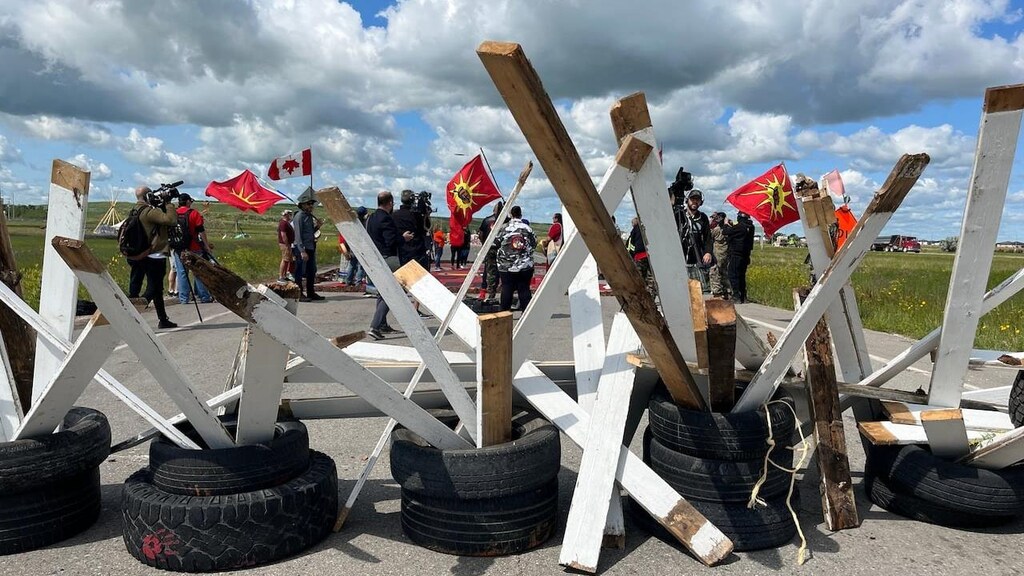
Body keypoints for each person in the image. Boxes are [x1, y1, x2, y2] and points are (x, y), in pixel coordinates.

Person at [126, 186, 178, 329]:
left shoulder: (134, 211)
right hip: (155, 254)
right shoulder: (149, 212)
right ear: (148, 196)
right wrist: (168, 203)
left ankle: (163, 319)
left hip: (141, 254)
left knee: (156, 289)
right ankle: (134, 314)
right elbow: (171, 220)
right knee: (153, 288)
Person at [366, 191, 414, 340]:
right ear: (390, 203)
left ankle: (381, 324)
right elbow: (391, 241)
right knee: (392, 292)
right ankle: (374, 326)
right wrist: (403, 238)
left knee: (382, 292)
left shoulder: (372, 217)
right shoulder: (386, 219)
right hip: (388, 258)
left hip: (375, 258)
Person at [171, 194, 214, 304]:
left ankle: (184, 298)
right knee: (198, 272)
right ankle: (204, 296)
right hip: (194, 247)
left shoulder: (174, 214)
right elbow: (201, 230)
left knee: (182, 273)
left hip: (179, 247)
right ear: (188, 202)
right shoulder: (194, 213)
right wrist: (206, 246)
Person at [496, 205, 537, 312]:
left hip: (506, 266)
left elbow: (495, 243)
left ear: (511, 214)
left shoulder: (503, 228)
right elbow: (534, 244)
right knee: (524, 290)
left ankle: (504, 315)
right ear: (521, 214)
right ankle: (527, 316)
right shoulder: (528, 229)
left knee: (507, 289)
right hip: (524, 265)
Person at [676, 188, 713, 292]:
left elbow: (708, 237)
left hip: (695, 258)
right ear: (687, 200)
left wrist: (708, 252)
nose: (695, 202)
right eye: (692, 199)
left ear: (701, 202)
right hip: (679, 256)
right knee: (679, 288)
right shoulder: (679, 215)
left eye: (698, 199)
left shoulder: (703, 217)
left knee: (695, 290)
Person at [293, 187, 324, 302]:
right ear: (303, 205)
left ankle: (311, 292)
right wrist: (302, 251)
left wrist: (317, 227)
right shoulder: (299, 217)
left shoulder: (309, 216)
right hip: (303, 249)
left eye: (312, 204)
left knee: (312, 271)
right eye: (309, 204)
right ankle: (299, 293)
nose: (311, 206)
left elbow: (310, 233)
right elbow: (298, 235)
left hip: (311, 247)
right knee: (300, 272)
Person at [723, 211, 755, 303]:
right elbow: (738, 231)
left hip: (736, 253)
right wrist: (733, 225)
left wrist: (726, 224)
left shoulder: (740, 227)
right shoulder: (750, 227)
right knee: (741, 275)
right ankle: (743, 297)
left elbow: (726, 232)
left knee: (733, 274)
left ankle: (736, 295)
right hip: (746, 254)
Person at [478, 201, 502, 301]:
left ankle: (484, 292)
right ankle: (492, 292)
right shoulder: (505, 221)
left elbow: (481, 234)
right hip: (501, 249)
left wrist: (484, 244)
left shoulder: (486, 220)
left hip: (490, 248)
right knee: (501, 271)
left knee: (488, 270)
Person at [626, 216, 653, 291]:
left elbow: (630, 243)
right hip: (650, 255)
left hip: (639, 256)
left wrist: (632, 254)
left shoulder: (636, 228)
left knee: (640, 279)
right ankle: (651, 295)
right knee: (651, 278)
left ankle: (642, 295)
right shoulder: (649, 226)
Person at [709, 211, 731, 299]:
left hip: (717, 253)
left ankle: (717, 292)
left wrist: (711, 219)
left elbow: (708, 235)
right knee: (724, 272)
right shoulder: (729, 229)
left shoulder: (717, 230)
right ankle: (727, 291)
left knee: (715, 272)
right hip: (726, 253)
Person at [344, 206, 368, 286]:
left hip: (353, 246)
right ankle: (358, 282)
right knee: (361, 266)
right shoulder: (365, 224)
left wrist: (347, 249)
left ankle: (348, 281)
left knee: (352, 265)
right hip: (361, 246)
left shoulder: (353, 223)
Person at [277, 209, 295, 282]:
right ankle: (281, 276)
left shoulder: (287, 223)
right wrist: (287, 245)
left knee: (287, 260)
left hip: (288, 243)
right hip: (285, 244)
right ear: (286, 215)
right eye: (289, 214)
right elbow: (283, 235)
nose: (290, 215)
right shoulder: (283, 223)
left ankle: (284, 275)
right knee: (285, 259)